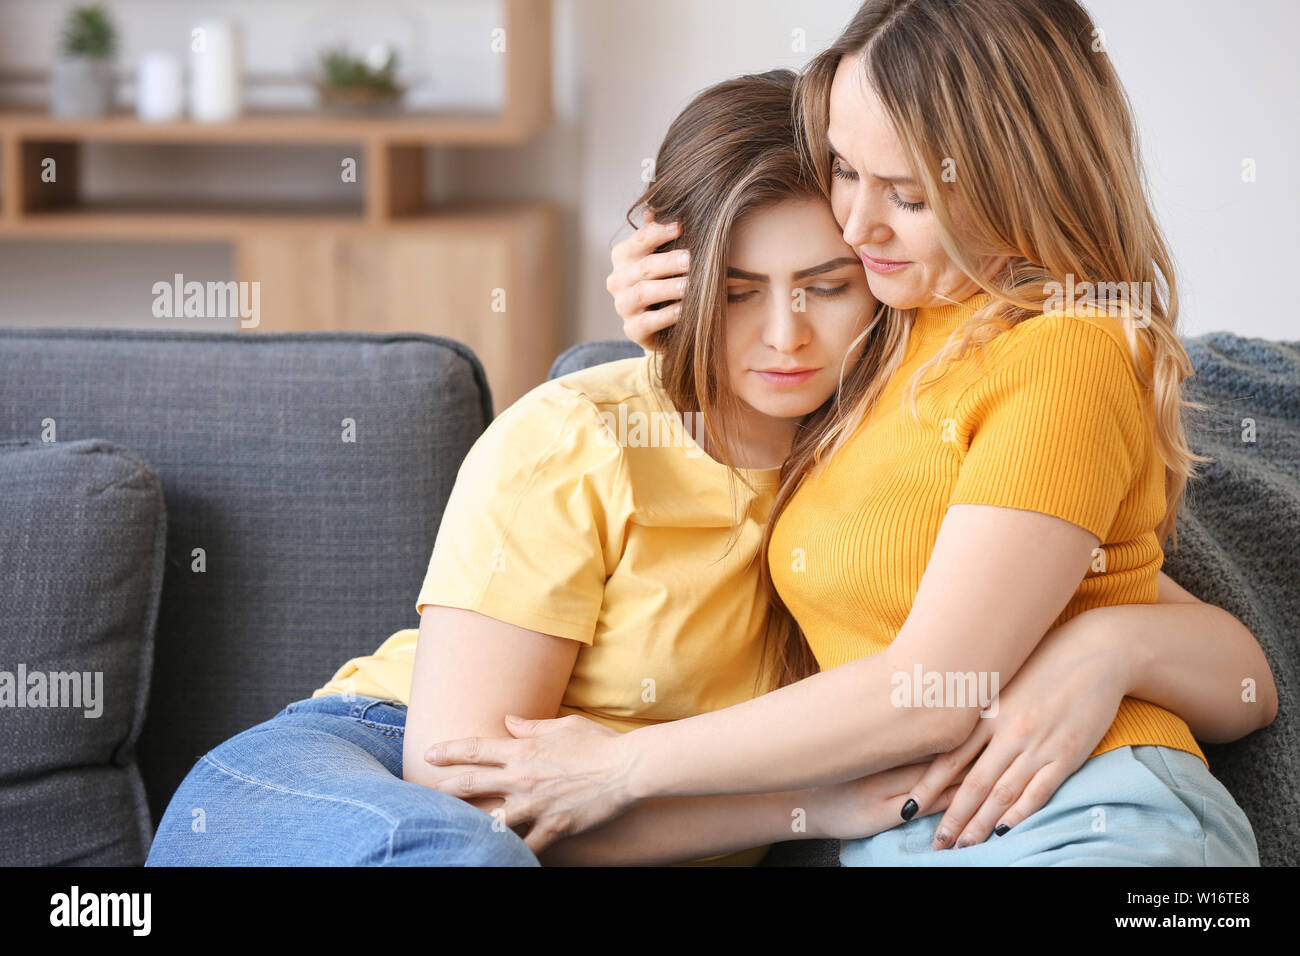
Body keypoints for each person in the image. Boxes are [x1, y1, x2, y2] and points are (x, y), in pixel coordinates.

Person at [421, 0, 1275, 867]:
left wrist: (619, 766)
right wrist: (691, 308)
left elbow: (937, 694)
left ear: (1019, 176)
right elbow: (1164, 623)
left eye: (907, 194)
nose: (859, 226)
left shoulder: (1065, 347)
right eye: (844, 169)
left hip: (1086, 816)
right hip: (919, 836)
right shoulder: (896, 330)